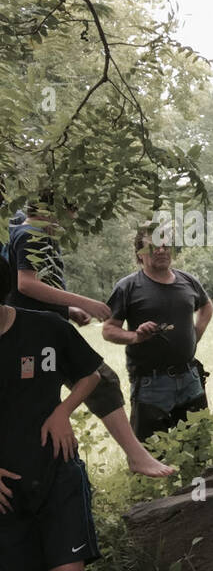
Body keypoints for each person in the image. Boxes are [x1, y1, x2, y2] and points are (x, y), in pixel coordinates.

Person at [0, 250, 108, 571]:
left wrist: (63, 410)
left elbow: (92, 372)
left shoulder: (44, 327)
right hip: (5, 491)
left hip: (57, 473)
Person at [6, 201, 173, 477]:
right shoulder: (31, 234)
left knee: (99, 382)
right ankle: (136, 456)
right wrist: (86, 302)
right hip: (35, 334)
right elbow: (26, 283)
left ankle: (134, 456)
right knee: (97, 381)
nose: (69, 222)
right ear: (51, 209)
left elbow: (30, 287)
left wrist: (68, 310)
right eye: (68, 214)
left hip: (48, 328)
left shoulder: (36, 234)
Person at [102, 225, 213, 441]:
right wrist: (135, 336)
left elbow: (206, 306)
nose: (161, 251)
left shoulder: (188, 281)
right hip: (151, 386)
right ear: (139, 254)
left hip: (190, 378)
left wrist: (195, 335)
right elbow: (108, 330)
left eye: (165, 246)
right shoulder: (128, 287)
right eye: (153, 247)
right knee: (153, 458)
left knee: (200, 450)